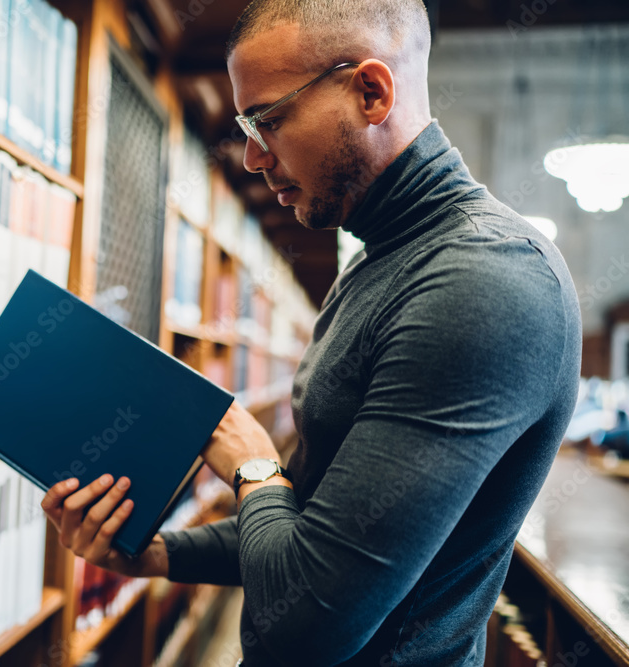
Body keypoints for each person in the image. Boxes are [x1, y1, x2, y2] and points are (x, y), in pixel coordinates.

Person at [41, 0, 582, 664]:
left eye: (268, 119)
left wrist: (252, 462)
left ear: (371, 92)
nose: (250, 157)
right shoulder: (377, 262)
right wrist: (158, 554)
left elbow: (305, 624)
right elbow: (307, 527)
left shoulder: (484, 281)